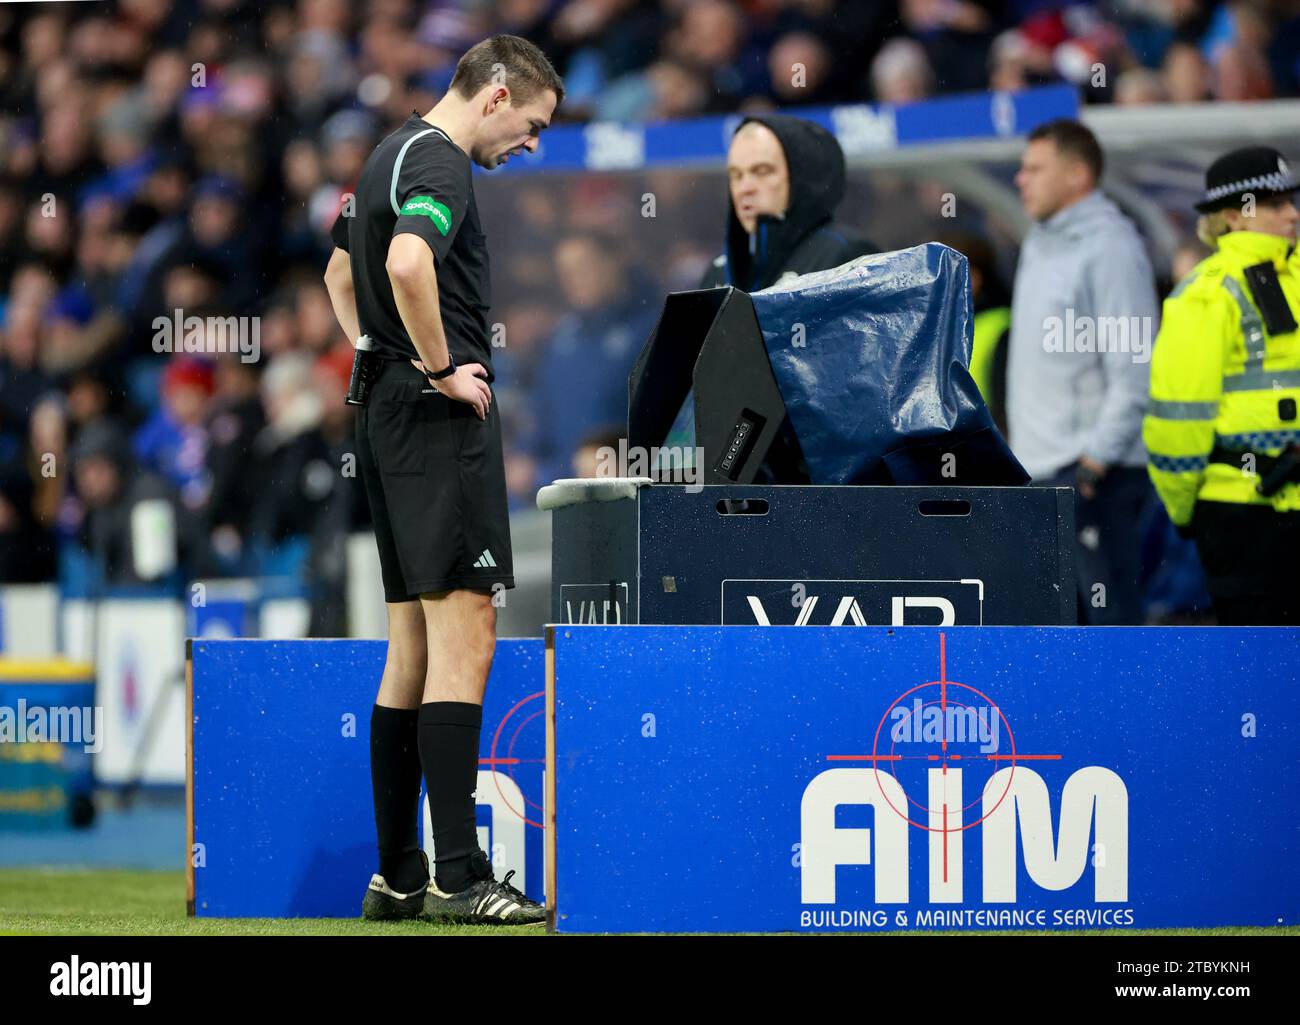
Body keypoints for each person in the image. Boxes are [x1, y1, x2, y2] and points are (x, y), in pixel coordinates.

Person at [322, 35, 562, 925]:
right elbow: (406, 263)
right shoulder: (445, 165)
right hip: (432, 416)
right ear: (496, 96)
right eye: (531, 126)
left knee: (409, 647)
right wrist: (435, 368)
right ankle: (461, 877)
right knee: (468, 630)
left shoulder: (386, 152)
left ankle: (398, 874)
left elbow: (339, 272)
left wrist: (375, 355)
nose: (530, 145)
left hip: (380, 413)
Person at [1007, 119, 1158, 625]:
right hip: (1043, 474)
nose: (1020, 179)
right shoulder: (1039, 242)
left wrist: (1094, 464)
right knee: (1062, 637)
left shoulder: (1111, 249)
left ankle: (1134, 711)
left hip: (1094, 476)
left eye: (1034, 168)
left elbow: (1136, 368)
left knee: (1111, 630)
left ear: (1077, 175)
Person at [1144, 147, 1300, 624]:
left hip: (1247, 513)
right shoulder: (1205, 294)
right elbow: (1178, 420)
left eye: (1290, 201)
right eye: (1274, 204)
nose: (1292, 213)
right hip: (1243, 514)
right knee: (1259, 674)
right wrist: (1189, 511)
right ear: (1234, 216)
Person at [699, 114, 876, 291]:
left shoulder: (847, 258)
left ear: (801, 178)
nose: (744, 188)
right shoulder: (720, 270)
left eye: (762, 171)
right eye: (736, 175)